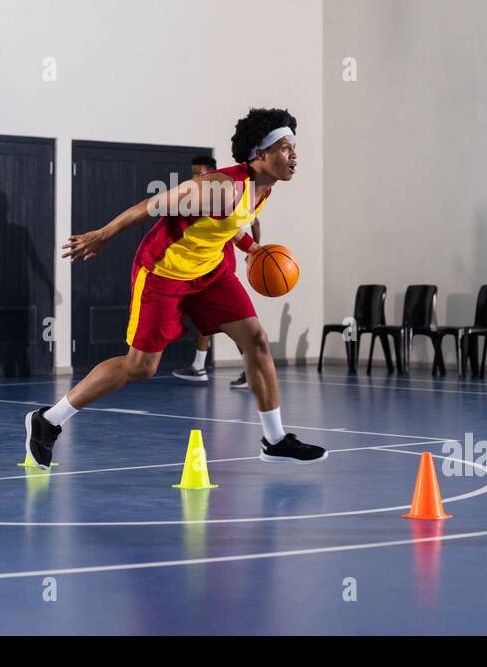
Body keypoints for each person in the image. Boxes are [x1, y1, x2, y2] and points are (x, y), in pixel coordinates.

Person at [24, 108, 326, 469]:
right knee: (140, 367)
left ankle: (275, 439)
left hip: (210, 270)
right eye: (284, 147)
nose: (294, 155)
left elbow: (229, 225)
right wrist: (101, 235)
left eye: (295, 147)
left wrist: (251, 250)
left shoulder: (262, 188)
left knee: (256, 339)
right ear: (259, 154)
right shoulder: (220, 187)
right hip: (164, 271)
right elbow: (151, 205)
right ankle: (49, 420)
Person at [171, 153, 261, 390]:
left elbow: (247, 225)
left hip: (219, 267)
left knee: (239, 324)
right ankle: (199, 365)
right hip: (201, 266)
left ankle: (248, 367)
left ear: (212, 172)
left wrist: (254, 251)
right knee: (205, 321)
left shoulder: (230, 192)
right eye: (193, 173)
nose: (195, 177)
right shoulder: (197, 195)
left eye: (199, 173)